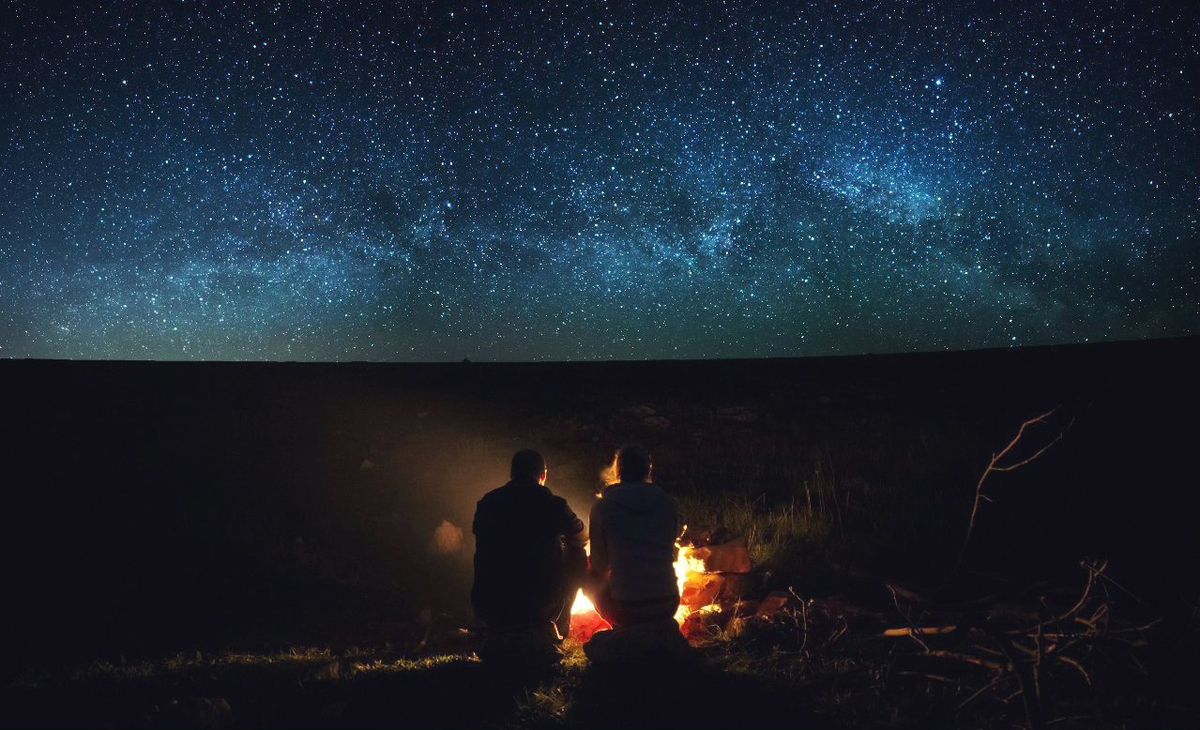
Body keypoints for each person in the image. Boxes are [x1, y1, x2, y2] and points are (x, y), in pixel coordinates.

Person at [471, 449, 588, 642]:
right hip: (537, 605)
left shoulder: (488, 503)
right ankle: (559, 625)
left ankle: (493, 625)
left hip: (489, 604)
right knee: (578, 553)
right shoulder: (552, 504)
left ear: (511, 474)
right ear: (543, 475)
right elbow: (582, 536)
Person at [587, 444, 680, 628]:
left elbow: (599, 566)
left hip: (626, 608)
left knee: (586, 572)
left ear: (617, 471)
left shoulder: (603, 507)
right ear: (649, 470)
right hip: (668, 603)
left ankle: (621, 631)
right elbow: (670, 552)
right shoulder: (669, 504)